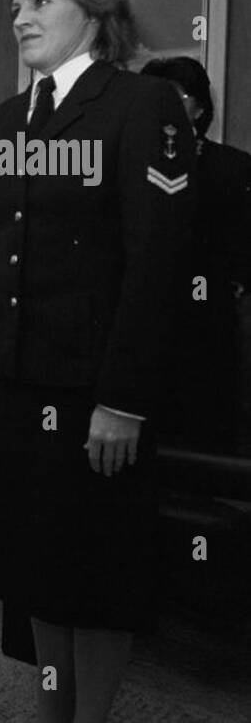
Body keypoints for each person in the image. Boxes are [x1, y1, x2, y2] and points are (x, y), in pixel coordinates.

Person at [0, 0, 194, 723]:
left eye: (38, 2)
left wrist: (125, 400)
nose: (19, 17)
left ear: (94, 9)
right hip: (18, 385)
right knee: (35, 568)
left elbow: (158, 266)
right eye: (14, 3)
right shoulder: (5, 117)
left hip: (97, 393)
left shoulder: (143, 106)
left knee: (95, 577)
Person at [140, 56, 251, 450]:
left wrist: (233, 282)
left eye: (175, 96)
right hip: (140, 315)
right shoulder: (128, 162)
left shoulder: (233, 167)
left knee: (203, 427)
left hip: (206, 316)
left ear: (199, 107)